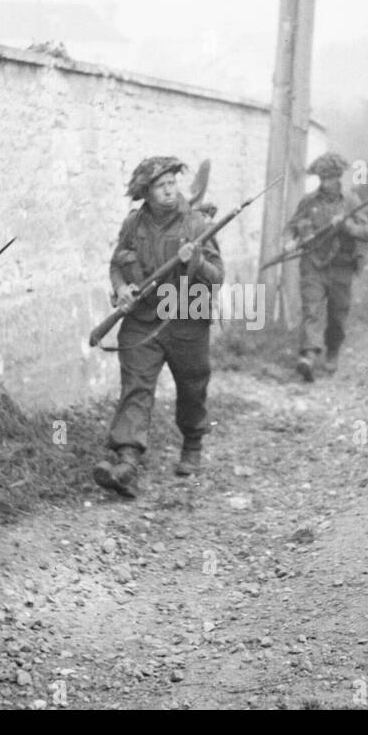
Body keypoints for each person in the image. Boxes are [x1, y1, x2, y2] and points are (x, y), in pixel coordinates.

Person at [92, 157, 225, 497]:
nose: (168, 190)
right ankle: (127, 461)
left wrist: (194, 260)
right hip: (142, 319)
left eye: (171, 183)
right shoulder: (133, 225)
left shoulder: (197, 224)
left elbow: (217, 276)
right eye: (160, 186)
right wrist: (122, 289)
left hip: (187, 318)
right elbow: (117, 265)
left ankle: (192, 444)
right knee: (136, 386)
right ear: (146, 193)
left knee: (192, 386)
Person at [285, 152, 368, 381]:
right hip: (313, 264)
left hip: (341, 267)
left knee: (337, 316)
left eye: (332, 178)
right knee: (311, 310)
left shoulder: (351, 202)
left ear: (340, 177)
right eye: (324, 178)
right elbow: (291, 227)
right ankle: (307, 357)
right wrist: (291, 240)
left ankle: (332, 351)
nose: (328, 183)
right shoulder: (308, 201)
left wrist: (347, 226)